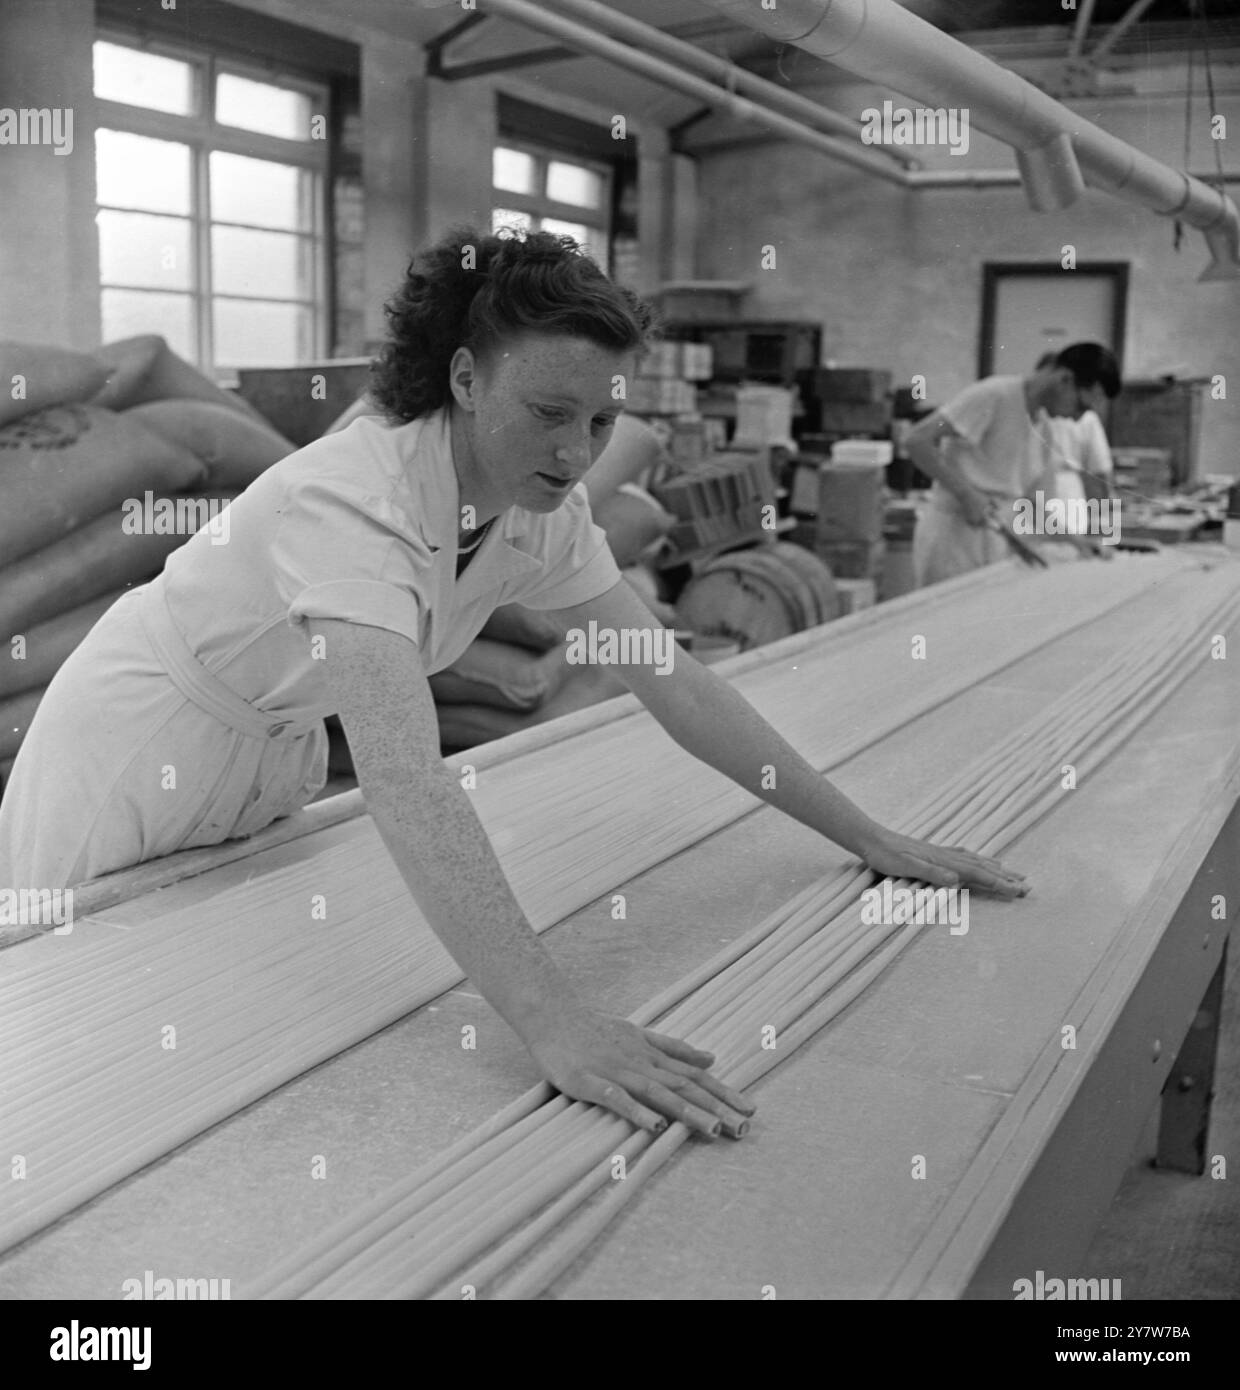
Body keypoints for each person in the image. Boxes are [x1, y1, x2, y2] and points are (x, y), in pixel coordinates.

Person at [0, 228, 1026, 1140]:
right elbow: (407, 779)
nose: (577, 452)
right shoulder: (355, 505)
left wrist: (865, 835)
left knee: (201, 1031)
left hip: (270, 745)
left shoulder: (537, 513)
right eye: (549, 413)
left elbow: (674, 684)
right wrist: (554, 1024)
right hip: (141, 746)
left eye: (596, 421)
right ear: (462, 379)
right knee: (68, 1018)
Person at [905, 343, 1121, 586]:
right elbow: (918, 439)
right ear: (1065, 379)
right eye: (1081, 406)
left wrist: (1076, 541)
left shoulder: (1044, 430)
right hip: (954, 539)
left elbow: (1035, 505)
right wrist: (965, 493)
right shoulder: (992, 396)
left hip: (998, 541)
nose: (1077, 418)